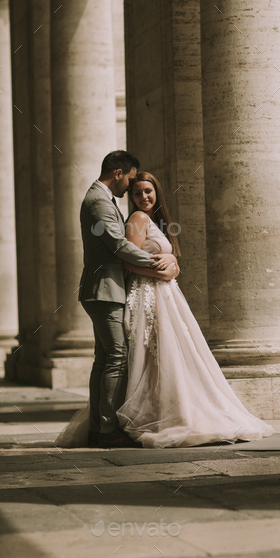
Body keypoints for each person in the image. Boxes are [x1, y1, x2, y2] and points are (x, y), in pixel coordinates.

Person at [116, 171, 274, 447]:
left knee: (171, 352)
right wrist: (165, 274)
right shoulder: (138, 218)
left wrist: (172, 265)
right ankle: (157, 414)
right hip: (148, 293)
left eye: (148, 191)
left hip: (164, 294)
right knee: (154, 352)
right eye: (138, 192)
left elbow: (166, 259)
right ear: (131, 196)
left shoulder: (156, 220)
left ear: (157, 192)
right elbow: (128, 262)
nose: (143, 197)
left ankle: (173, 410)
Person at [55, 151, 179, 449]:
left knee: (104, 359)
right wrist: (160, 265)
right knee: (116, 358)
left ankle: (100, 427)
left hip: (105, 288)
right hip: (104, 289)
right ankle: (107, 429)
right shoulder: (98, 200)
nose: (131, 189)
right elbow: (118, 245)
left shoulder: (103, 199)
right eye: (131, 180)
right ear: (119, 173)